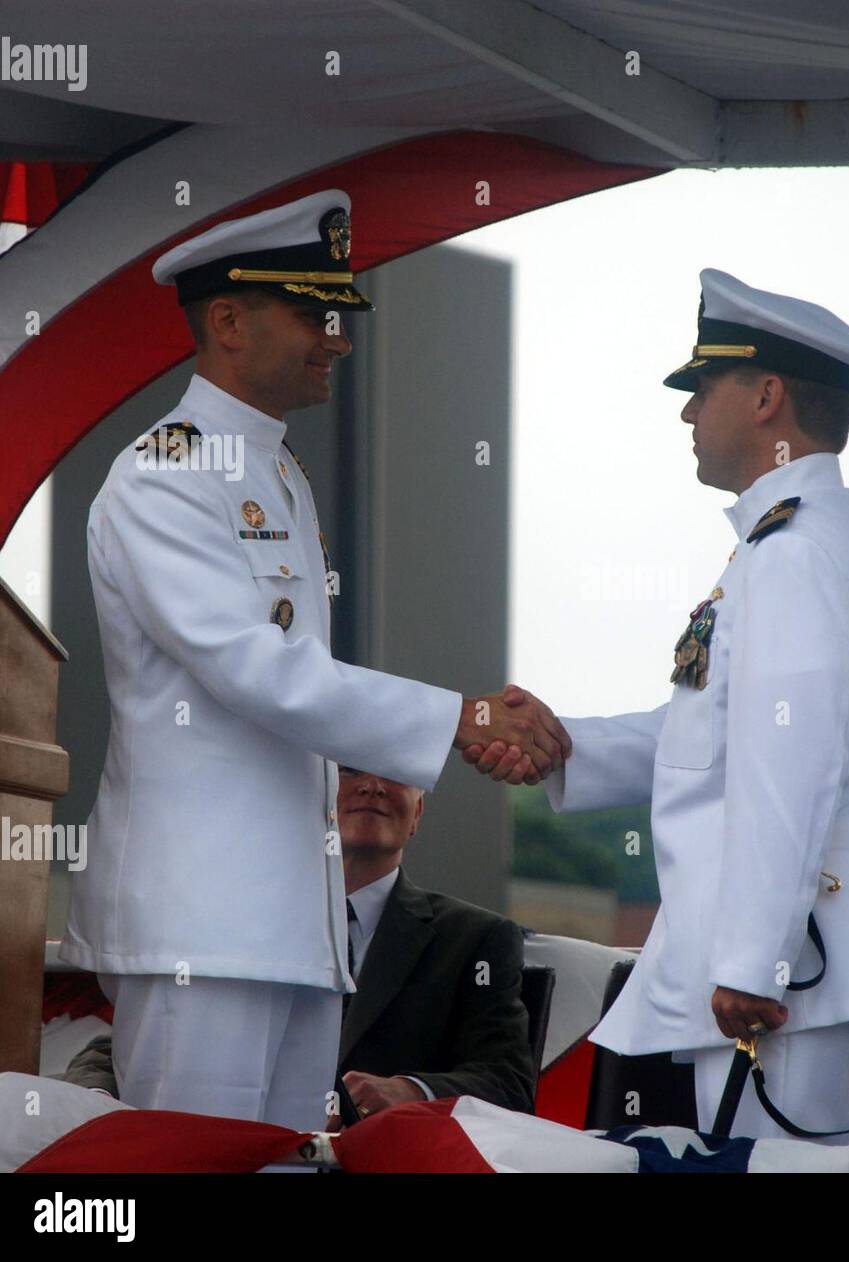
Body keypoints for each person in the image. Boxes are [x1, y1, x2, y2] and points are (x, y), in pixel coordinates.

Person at [59, 189, 568, 1132]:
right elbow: (254, 669)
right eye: (313, 314)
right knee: (192, 1166)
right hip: (203, 923)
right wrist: (460, 717)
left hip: (291, 921)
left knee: (289, 1164)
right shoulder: (164, 471)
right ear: (227, 321)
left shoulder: (277, 469)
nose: (337, 337)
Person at [469, 269, 849, 1143]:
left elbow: (787, 769)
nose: (687, 412)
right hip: (809, 959)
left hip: (798, 971)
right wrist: (564, 744)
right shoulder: (794, 545)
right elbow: (715, 739)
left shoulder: (795, 556)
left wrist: (753, 962)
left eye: (702, 387)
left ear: (767, 397)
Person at [61, 767, 536, 1117]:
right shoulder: (236, 923)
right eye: (349, 771)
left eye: (393, 773)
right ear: (318, 800)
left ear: (418, 813)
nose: (372, 785)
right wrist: (99, 1109)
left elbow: (509, 1083)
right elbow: (130, 1045)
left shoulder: (476, 940)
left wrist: (411, 1091)